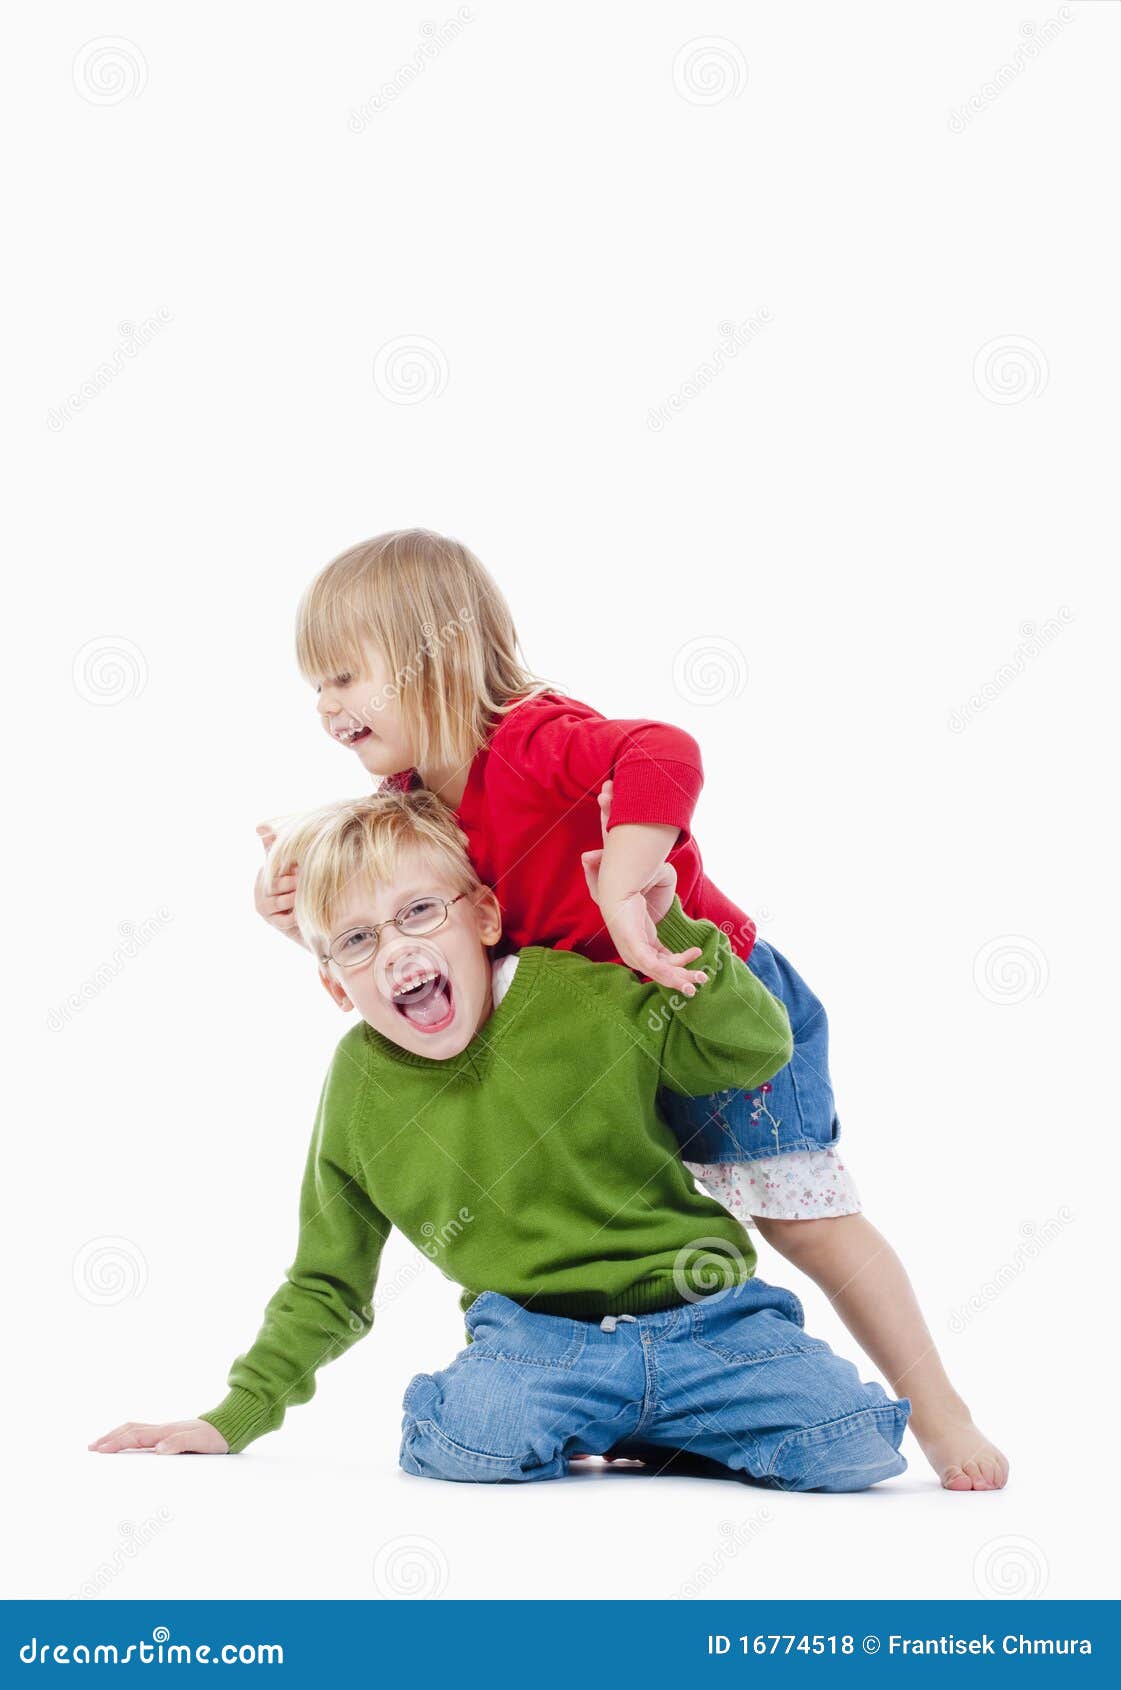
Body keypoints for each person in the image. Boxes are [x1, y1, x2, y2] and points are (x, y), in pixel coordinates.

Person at [253, 529, 1007, 1491]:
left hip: (708, 1005)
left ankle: (937, 1411)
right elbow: (403, 911)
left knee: (804, 1220)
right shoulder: (409, 792)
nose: (326, 706)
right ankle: (655, 1395)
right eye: (315, 684)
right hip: (594, 1041)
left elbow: (660, 750)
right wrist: (285, 905)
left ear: (428, 658)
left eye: (345, 677)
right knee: (628, 1211)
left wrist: (626, 883)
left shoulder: (530, 738)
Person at [90, 789, 909, 1490]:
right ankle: (593, 1419)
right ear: (336, 985)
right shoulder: (359, 1089)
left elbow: (752, 1052)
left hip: (708, 1319)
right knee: (474, 1440)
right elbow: (326, 1284)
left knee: (855, 1446)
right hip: (538, 1343)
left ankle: (659, 1430)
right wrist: (238, 1413)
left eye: (418, 912)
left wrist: (675, 928)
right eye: (357, 940)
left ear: (483, 915)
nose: (399, 951)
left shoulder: (577, 999)